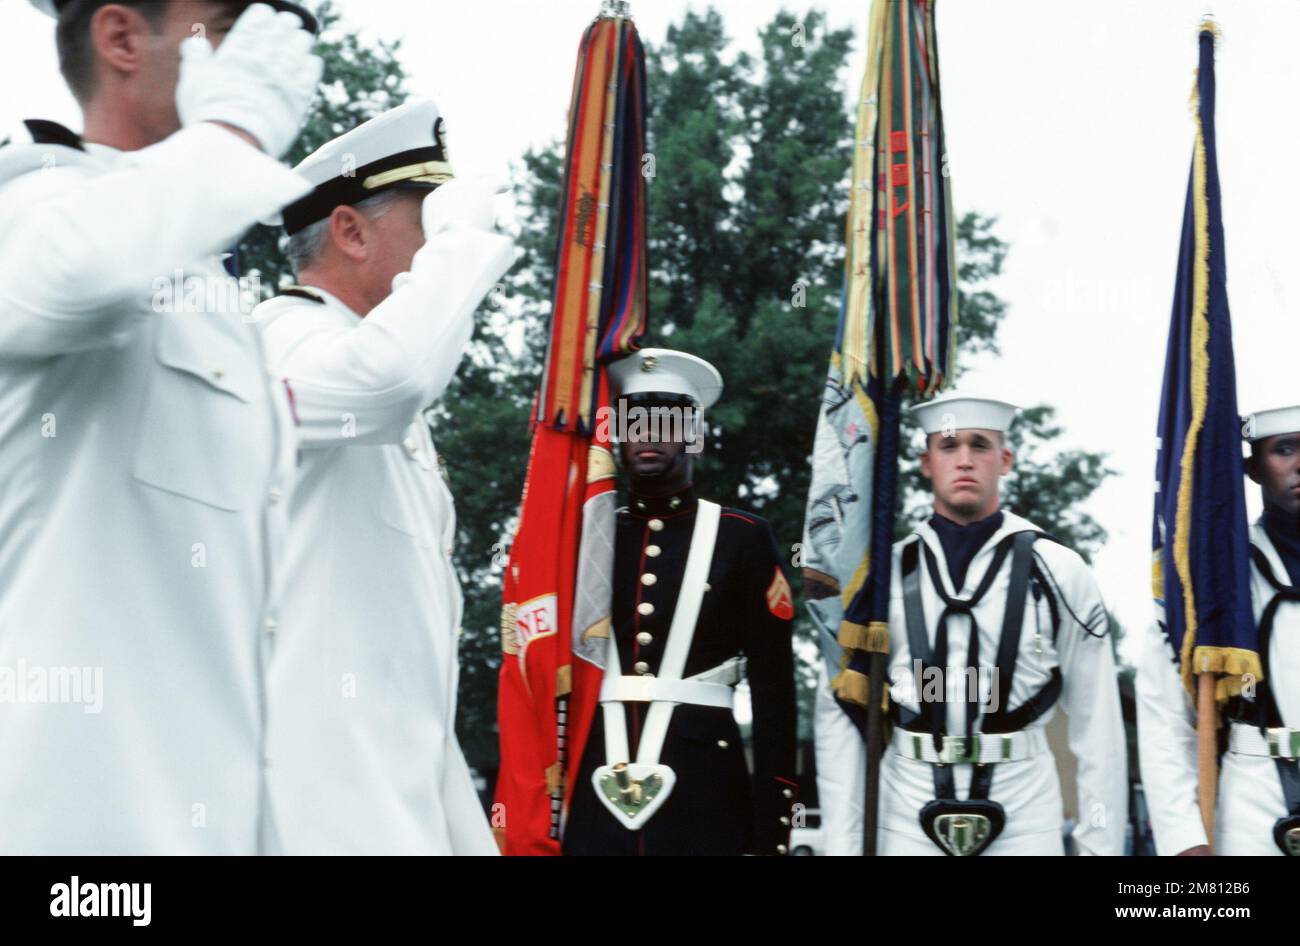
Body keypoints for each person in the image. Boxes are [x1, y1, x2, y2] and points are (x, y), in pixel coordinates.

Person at [0, 1, 321, 853]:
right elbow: (77, 271)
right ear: (119, 38)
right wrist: (235, 130)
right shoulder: (30, 201)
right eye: (222, 24)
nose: (257, 55)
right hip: (75, 823)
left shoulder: (196, 277)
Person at [248, 100, 514, 853]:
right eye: (425, 217)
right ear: (351, 231)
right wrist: (464, 241)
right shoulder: (278, 342)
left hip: (393, 788)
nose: (436, 243)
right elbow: (389, 380)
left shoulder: (343, 356)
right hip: (317, 803)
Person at [815, 393, 1127, 855]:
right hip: (904, 812)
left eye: (979, 446)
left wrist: (1098, 846)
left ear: (1004, 460)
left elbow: (1097, 722)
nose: (964, 460)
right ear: (925, 463)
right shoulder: (878, 578)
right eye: (948, 446)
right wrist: (841, 846)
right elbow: (838, 711)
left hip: (1025, 811)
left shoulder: (1059, 570)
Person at [562, 348, 799, 855]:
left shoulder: (745, 538)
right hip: (594, 786)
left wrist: (772, 826)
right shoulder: (585, 539)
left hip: (705, 793)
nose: (648, 435)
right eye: (635, 422)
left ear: (695, 437)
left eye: (667, 422)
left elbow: (775, 692)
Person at [1138, 404, 1300, 856]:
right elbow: (1165, 717)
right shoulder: (1207, 575)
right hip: (1253, 793)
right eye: (1284, 449)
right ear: (1252, 467)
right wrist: (1184, 838)